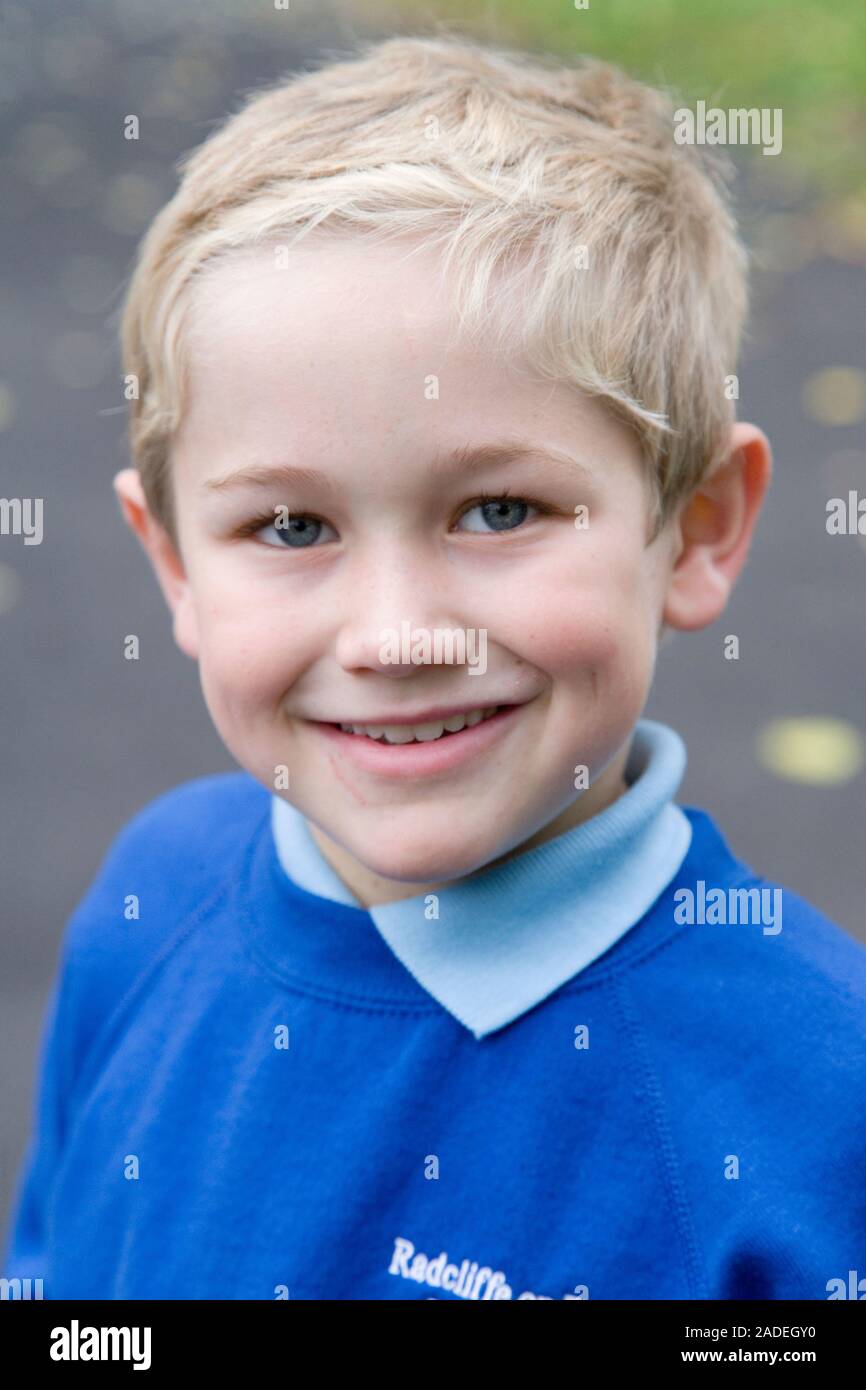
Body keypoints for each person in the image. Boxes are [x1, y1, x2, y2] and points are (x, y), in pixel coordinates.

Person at [4, 32, 865, 1301]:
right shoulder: (154, 894)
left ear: (694, 528)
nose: (396, 635)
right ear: (175, 563)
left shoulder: (813, 1100)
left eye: (500, 510)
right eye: (290, 528)